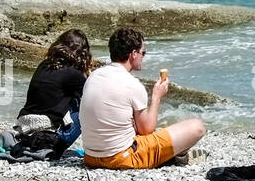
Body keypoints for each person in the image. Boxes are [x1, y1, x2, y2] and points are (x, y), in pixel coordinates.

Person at [79, 28, 206, 169]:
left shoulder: (94, 76)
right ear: (133, 54)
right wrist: (157, 96)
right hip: (121, 157)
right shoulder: (132, 84)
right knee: (197, 127)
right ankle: (173, 156)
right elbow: (146, 130)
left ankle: (173, 155)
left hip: (90, 157)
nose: (143, 57)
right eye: (143, 53)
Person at [16, 29, 92, 145]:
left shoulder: (44, 65)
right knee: (87, 106)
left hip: (23, 126)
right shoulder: (73, 74)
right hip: (47, 137)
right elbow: (92, 98)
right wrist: (87, 74)